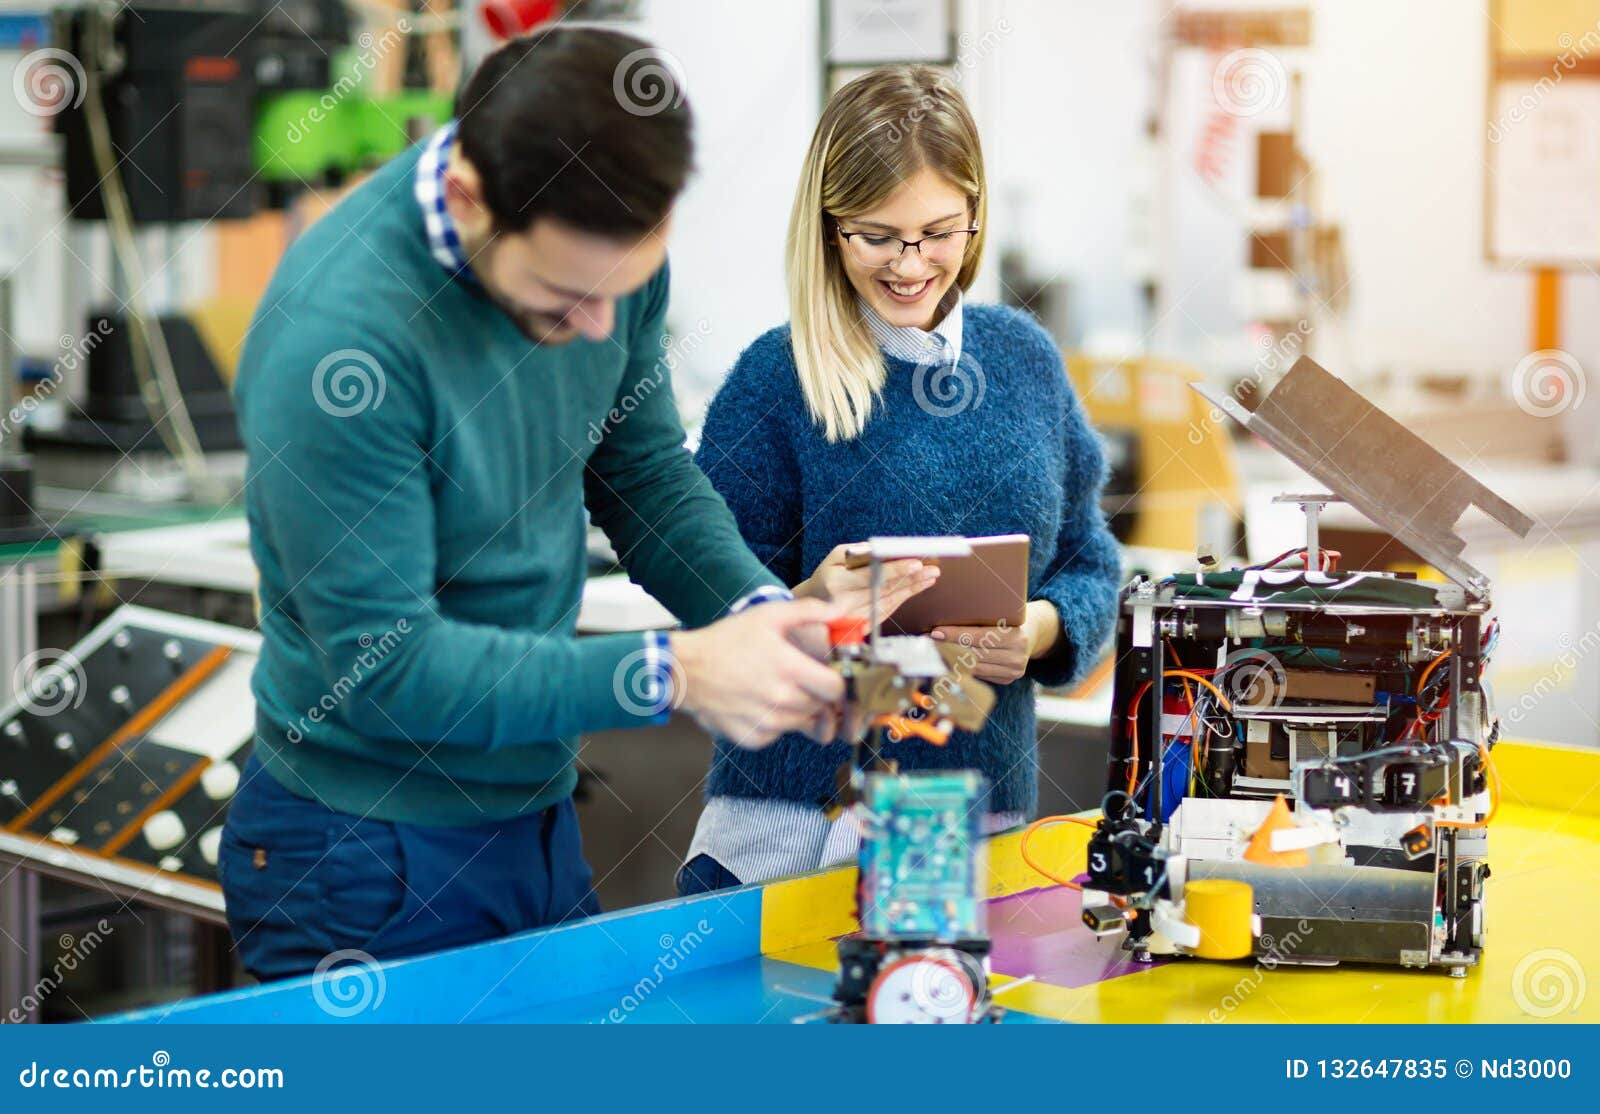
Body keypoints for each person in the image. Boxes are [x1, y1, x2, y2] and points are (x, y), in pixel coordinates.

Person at [223, 28, 867, 979]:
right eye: (565, 299)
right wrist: (676, 673)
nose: (600, 326)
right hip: (361, 849)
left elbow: (641, 473)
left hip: (533, 813)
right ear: (466, 200)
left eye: (626, 287)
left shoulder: (600, 245)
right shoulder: (339, 346)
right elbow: (388, 669)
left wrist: (758, 614)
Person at [678, 65, 1122, 894]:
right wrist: (804, 606)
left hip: (978, 825)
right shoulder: (776, 379)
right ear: (829, 228)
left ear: (975, 216)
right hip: (795, 830)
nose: (911, 264)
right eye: (878, 236)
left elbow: (1090, 560)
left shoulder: (1024, 360)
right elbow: (706, 599)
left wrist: (1038, 629)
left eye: (939, 231)